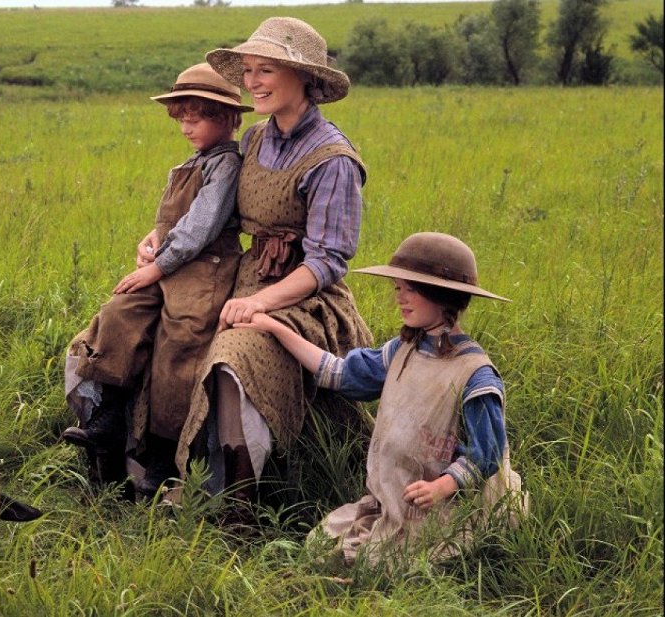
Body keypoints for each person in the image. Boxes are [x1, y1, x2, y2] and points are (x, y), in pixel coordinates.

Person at [137, 17, 372, 503]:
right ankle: (141, 453)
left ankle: (229, 498)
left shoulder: (333, 161)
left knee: (232, 355)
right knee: (162, 319)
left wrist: (261, 304)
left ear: (304, 78)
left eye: (265, 70)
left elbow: (327, 262)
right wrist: (158, 239)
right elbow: (217, 209)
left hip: (305, 298)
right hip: (244, 277)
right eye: (247, 70)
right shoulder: (254, 139)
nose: (251, 83)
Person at [236, 232, 527, 563]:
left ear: (441, 295)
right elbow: (339, 373)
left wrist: (441, 487)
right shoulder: (401, 351)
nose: (400, 298)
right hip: (392, 498)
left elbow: (485, 455)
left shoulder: (475, 374)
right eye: (398, 289)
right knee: (318, 546)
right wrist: (275, 327)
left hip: (445, 507)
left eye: (411, 290)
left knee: (378, 565)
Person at [63, 63, 253, 496]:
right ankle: (106, 418)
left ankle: (164, 457)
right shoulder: (190, 163)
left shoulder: (225, 164)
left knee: (180, 346)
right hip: (169, 261)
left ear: (226, 118)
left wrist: (156, 265)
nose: (187, 125)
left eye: (198, 116)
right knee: (118, 314)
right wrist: (152, 241)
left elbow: (202, 225)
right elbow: (172, 222)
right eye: (182, 116)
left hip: (204, 269)